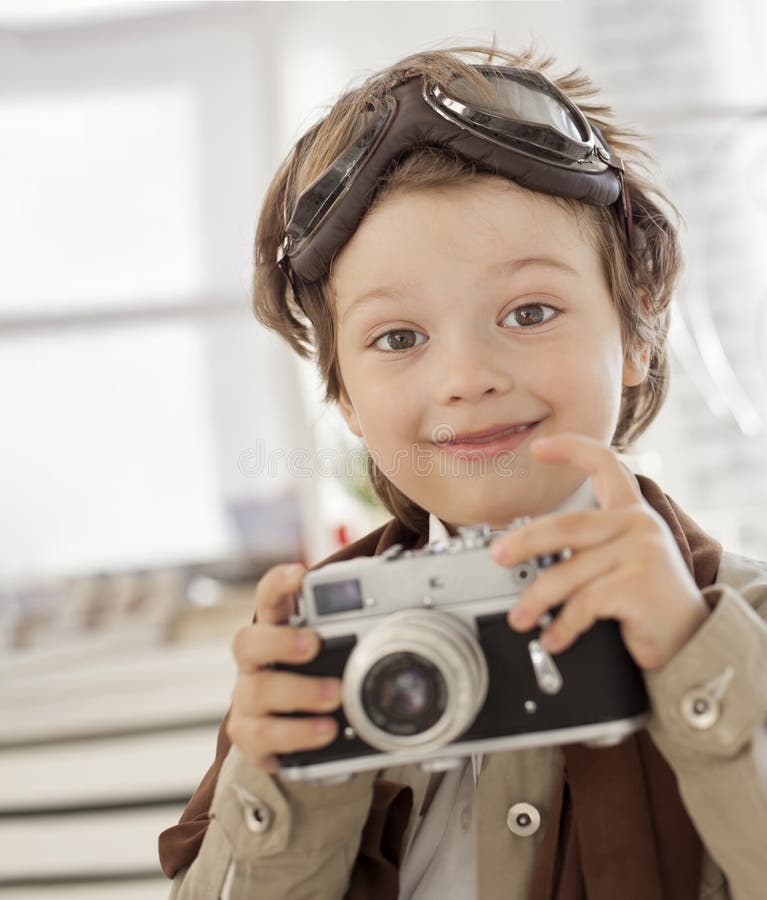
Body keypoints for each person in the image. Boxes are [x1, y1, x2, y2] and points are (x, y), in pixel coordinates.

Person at [158, 45, 767, 900]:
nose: (466, 376)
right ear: (345, 398)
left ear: (634, 333)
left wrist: (695, 665)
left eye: (529, 312)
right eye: (398, 338)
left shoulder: (741, 627)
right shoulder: (317, 650)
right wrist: (289, 785)